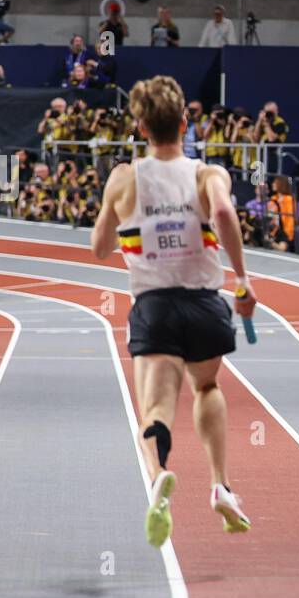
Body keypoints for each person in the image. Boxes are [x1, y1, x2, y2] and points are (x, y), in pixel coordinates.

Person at [90, 75, 256, 546]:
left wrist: (117, 220)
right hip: (204, 303)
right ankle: (221, 485)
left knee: (156, 409)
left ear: (141, 127)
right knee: (207, 386)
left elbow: (99, 247)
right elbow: (223, 215)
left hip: (155, 304)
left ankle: (159, 472)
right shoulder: (208, 175)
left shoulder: (124, 178)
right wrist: (242, 281)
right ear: (186, 123)